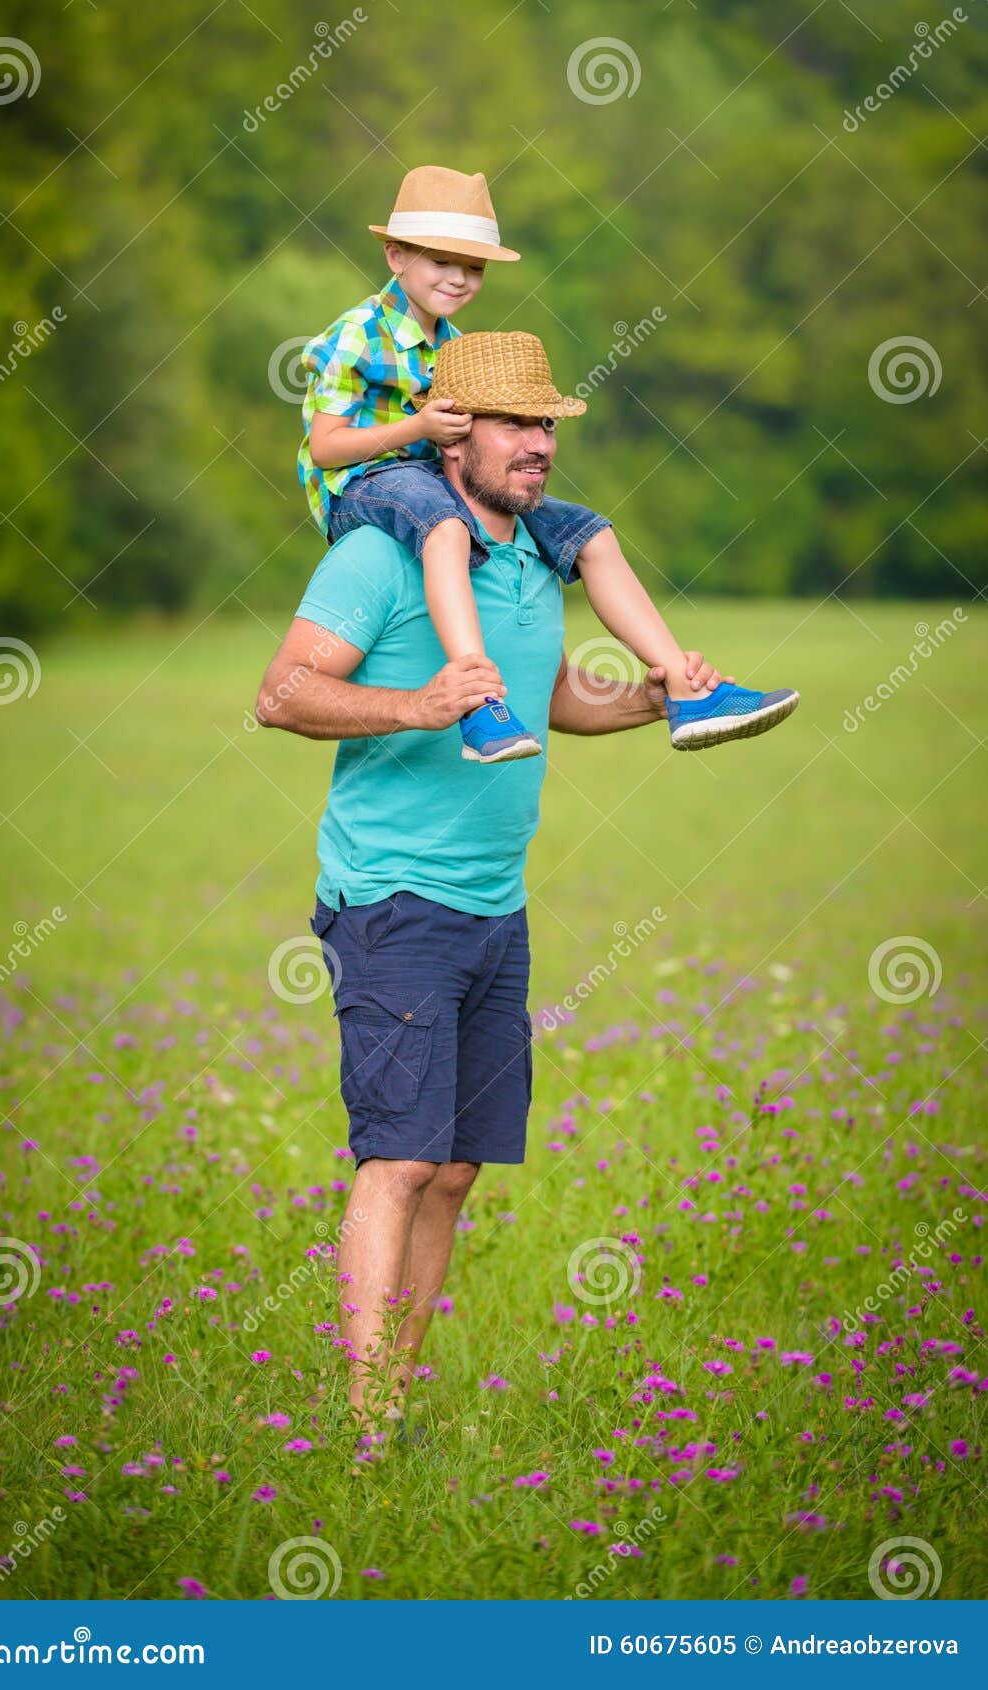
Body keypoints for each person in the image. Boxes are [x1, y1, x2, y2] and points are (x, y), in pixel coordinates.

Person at [256, 331, 731, 1440]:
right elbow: (282, 694)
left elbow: (543, 692)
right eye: (517, 426)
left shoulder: (527, 562)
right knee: (399, 1157)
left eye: (548, 427)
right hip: (391, 897)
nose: (538, 446)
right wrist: (420, 703)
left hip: (492, 905)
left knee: (459, 1166)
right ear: (457, 432)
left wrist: (651, 701)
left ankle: (395, 1390)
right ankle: (366, 1425)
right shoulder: (379, 554)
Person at [296, 163, 798, 763]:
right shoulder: (357, 334)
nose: (459, 279)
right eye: (441, 261)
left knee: (589, 534)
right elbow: (324, 447)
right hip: (359, 482)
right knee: (446, 524)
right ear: (395, 255)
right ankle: (479, 696)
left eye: (474, 267)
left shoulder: (455, 343)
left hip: (431, 474)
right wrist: (417, 428)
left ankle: (685, 688)